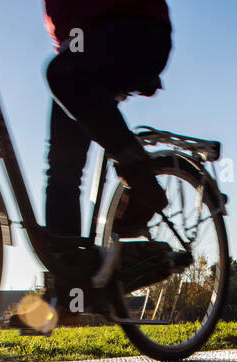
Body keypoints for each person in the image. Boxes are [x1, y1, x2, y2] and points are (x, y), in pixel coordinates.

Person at [42, 1, 172, 259]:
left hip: (136, 28)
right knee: (62, 171)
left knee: (63, 75)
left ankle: (138, 169)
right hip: (79, 48)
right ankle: (69, 280)